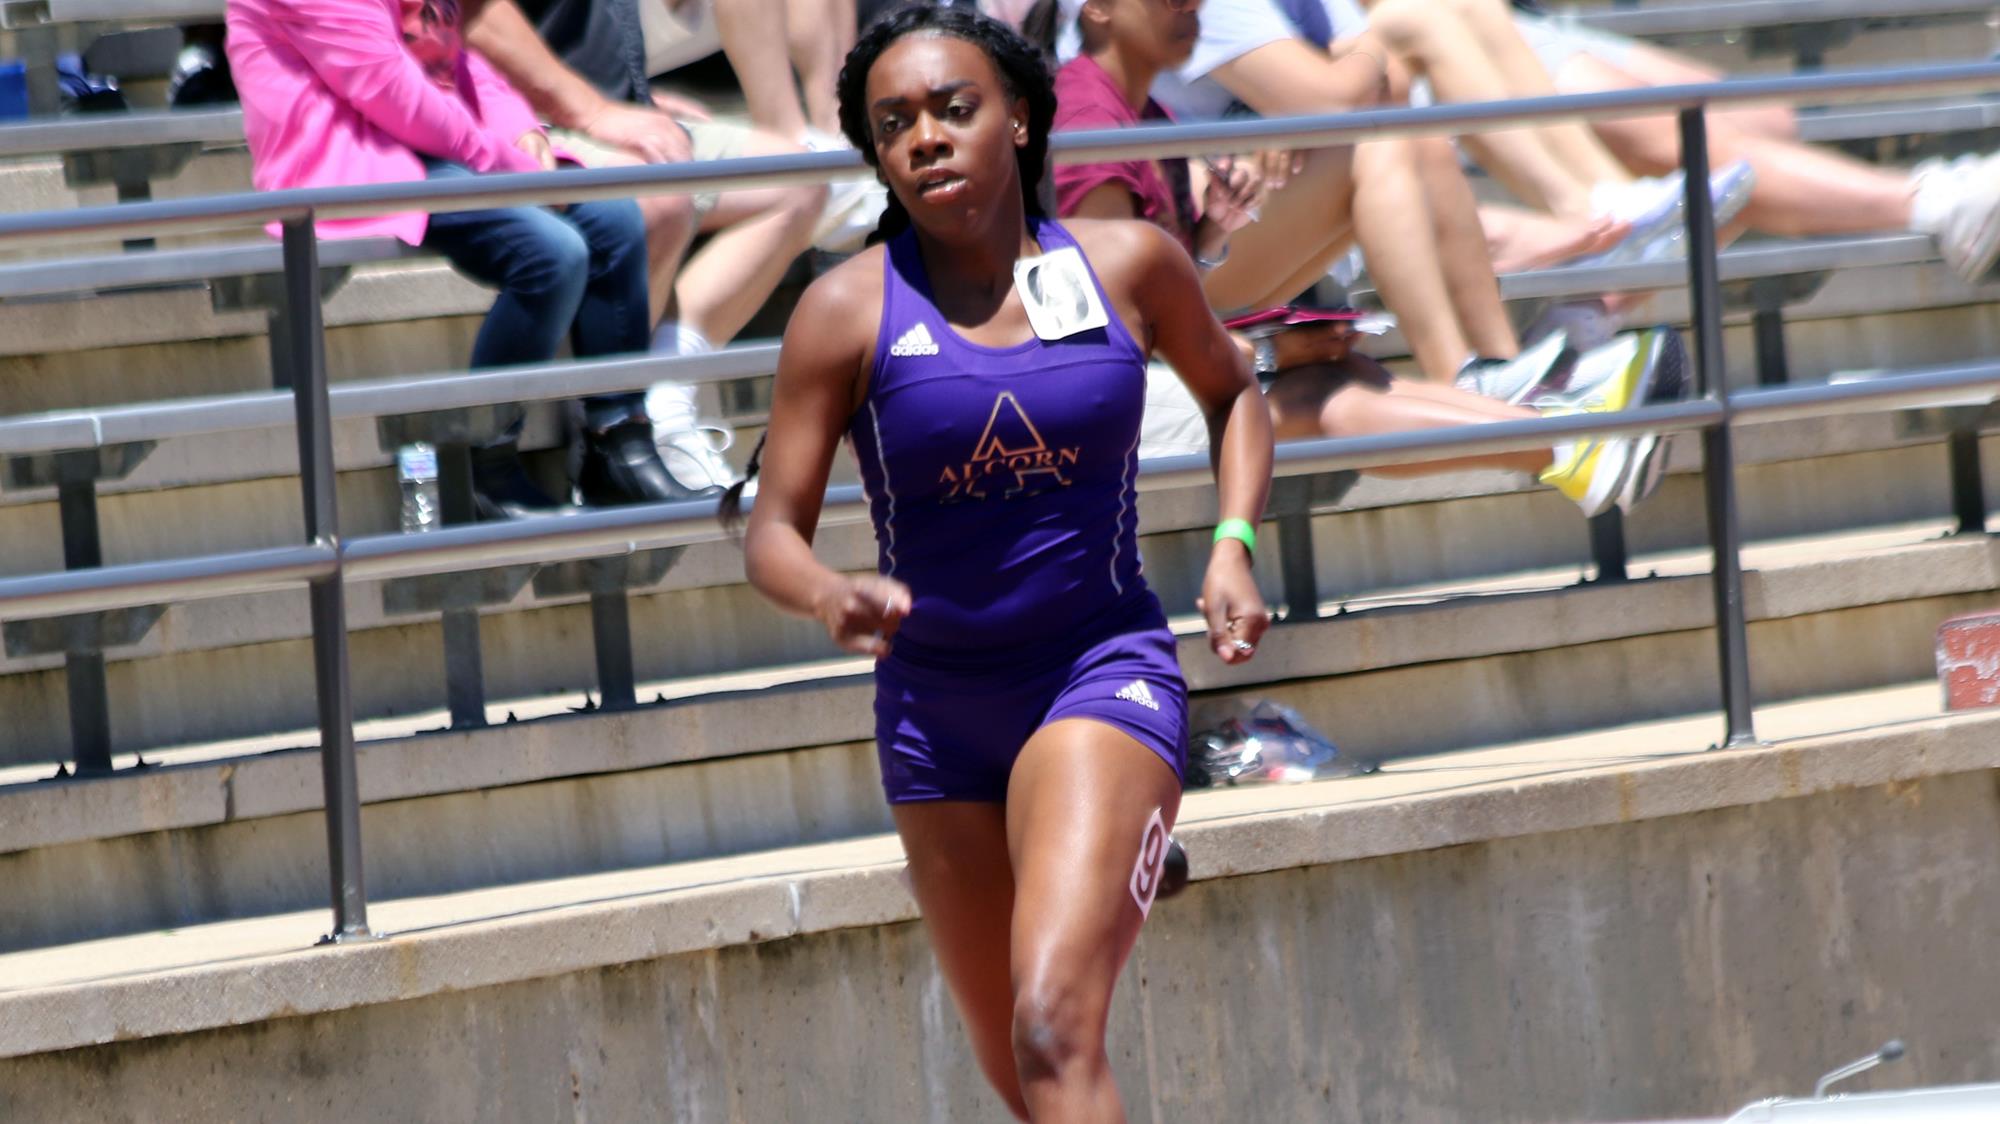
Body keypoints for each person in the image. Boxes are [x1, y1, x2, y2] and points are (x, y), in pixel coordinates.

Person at [734, 8, 1272, 1117]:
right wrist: (829, 591)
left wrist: (1232, 544)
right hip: (934, 712)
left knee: (1049, 1024)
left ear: (1019, 118)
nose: (925, 136)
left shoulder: (1128, 262)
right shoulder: (843, 309)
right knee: (1025, 1078)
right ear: (875, 155)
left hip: (1096, 667)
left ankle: (1119, 819)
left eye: (952, 107)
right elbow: (770, 529)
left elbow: (1233, 392)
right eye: (894, 124)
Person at [1050, 0, 1687, 515]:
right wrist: (1257, 351)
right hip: (1105, 396)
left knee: (1342, 371)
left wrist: (1216, 231)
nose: (1191, 4)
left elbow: (1160, 277)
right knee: (1322, 396)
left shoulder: (1134, 106)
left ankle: (1549, 417)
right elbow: (1108, 327)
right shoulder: (1087, 120)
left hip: (1159, 350)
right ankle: (1565, 435)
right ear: (1098, 8)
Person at [228, 0, 681, 516]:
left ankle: (618, 444)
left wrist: (522, 129)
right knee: (553, 253)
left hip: (442, 151)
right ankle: (487, 466)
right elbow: (390, 89)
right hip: (358, 166)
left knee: (614, 219)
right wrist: (508, 165)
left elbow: (451, 51)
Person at [465, 0, 831, 497]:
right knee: (658, 202)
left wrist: (633, 99)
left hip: (597, 109)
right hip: (509, 124)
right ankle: (611, 431)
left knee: (797, 180)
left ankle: (665, 400)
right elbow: (472, 15)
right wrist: (591, 109)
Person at [1360, 0, 2000, 283]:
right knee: (1673, 130)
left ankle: (1602, 298)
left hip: (1491, 15)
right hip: (1399, 29)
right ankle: (1934, 203)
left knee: (1765, 119)